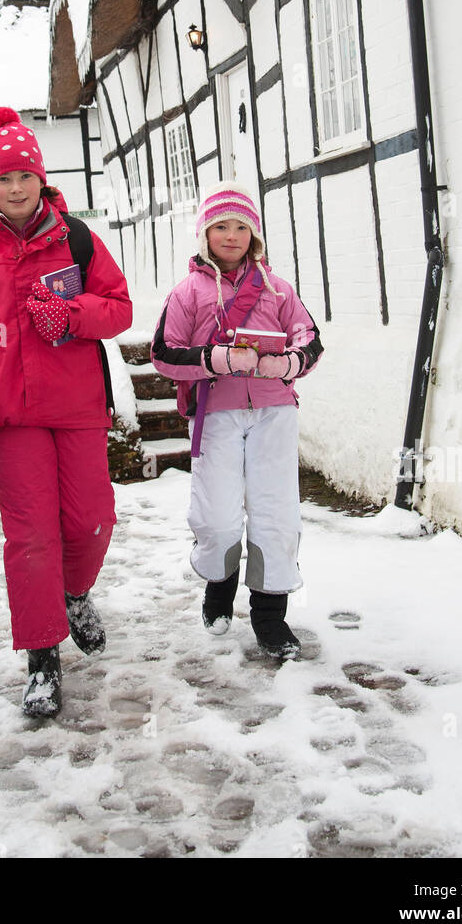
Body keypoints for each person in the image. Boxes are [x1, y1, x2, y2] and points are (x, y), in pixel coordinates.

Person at [0, 106, 132, 717]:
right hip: (9, 417)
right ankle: (42, 657)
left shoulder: (76, 237)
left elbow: (119, 309)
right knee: (31, 538)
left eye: (25, 177)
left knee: (92, 520)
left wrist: (72, 317)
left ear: (40, 180)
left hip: (77, 409)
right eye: (2, 179)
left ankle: (75, 594)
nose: (15, 189)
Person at [151, 183, 323, 658]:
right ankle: (218, 588)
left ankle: (270, 618)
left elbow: (310, 340)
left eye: (242, 227)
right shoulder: (187, 292)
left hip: (274, 412)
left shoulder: (277, 287)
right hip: (218, 414)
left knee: (276, 514)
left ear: (255, 234)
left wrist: (286, 364)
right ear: (206, 232)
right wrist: (215, 360)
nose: (232, 235)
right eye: (222, 226)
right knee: (219, 515)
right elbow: (163, 353)